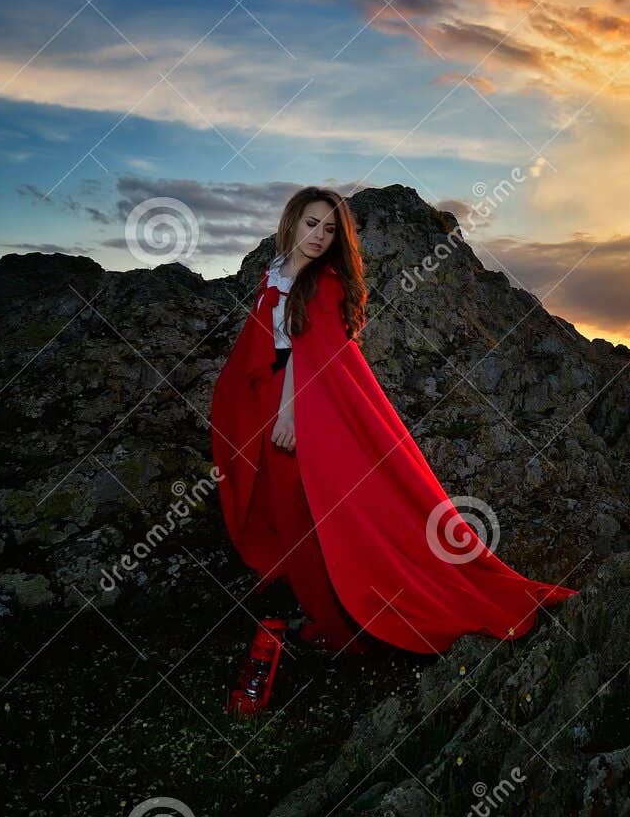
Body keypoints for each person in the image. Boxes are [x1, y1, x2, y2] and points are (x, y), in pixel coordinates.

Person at [210, 186, 576, 655]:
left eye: (329, 229)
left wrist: (289, 411)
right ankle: (329, 618)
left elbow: (313, 354)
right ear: (292, 222)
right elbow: (267, 343)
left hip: (307, 410)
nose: (319, 236)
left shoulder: (325, 284)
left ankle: (351, 623)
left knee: (322, 516)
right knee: (294, 517)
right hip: (279, 406)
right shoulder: (276, 275)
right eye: (311, 224)